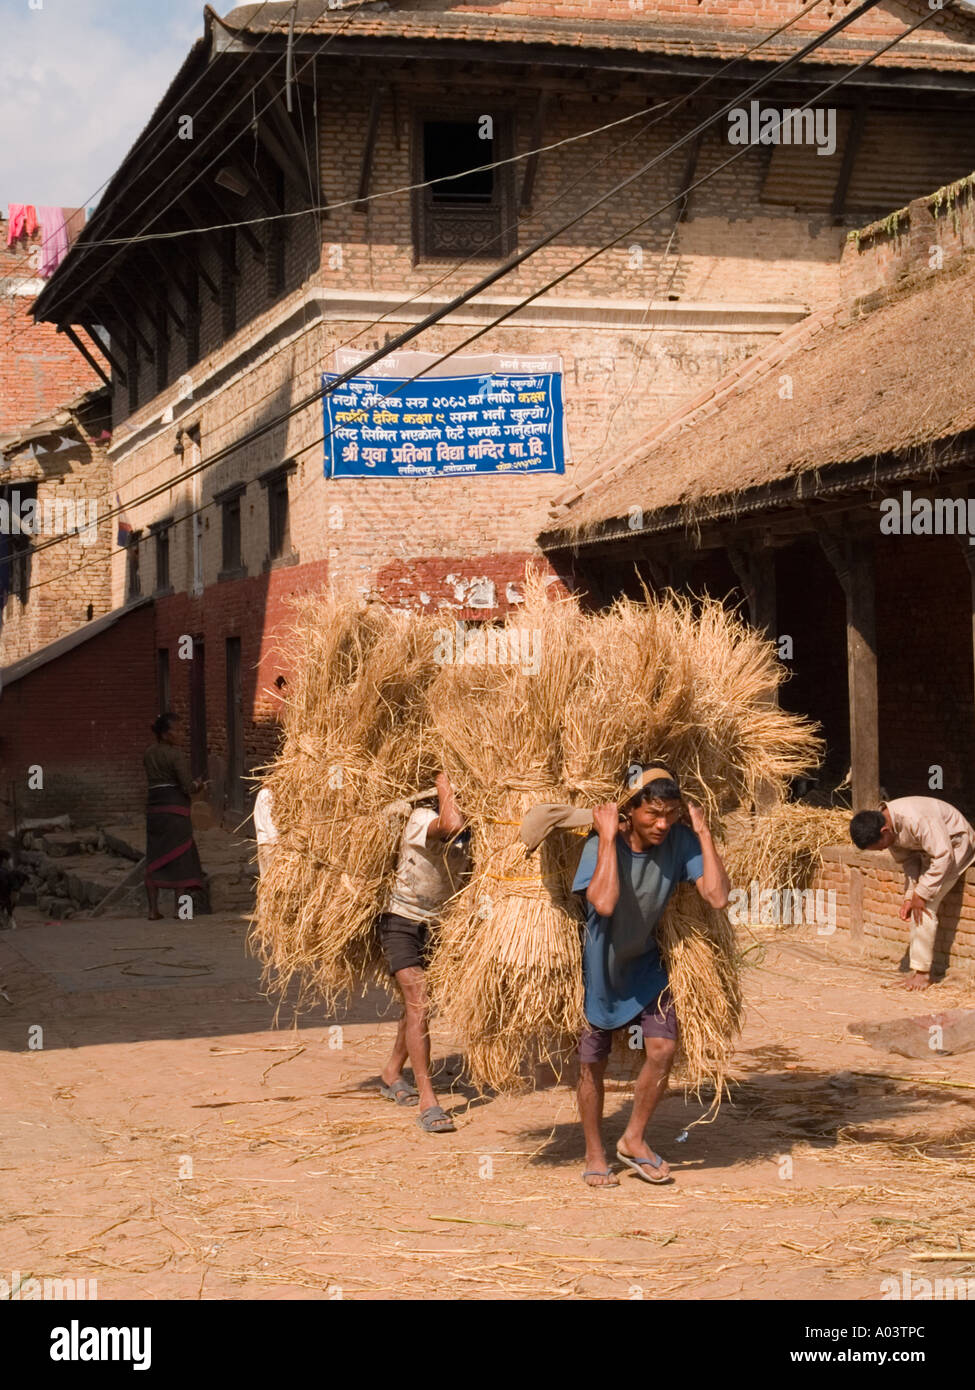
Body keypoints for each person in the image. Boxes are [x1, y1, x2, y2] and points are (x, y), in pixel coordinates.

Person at [572, 763, 730, 1188]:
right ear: (630, 809)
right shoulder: (598, 846)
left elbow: (716, 896)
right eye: (652, 814)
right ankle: (594, 1150)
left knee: (662, 1047)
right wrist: (606, 838)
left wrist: (703, 834)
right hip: (599, 971)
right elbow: (603, 903)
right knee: (592, 1064)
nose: (662, 824)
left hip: (645, 965)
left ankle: (634, 1139)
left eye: (670, 814)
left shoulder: (679, 839)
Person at [377, 771, 469, 1134]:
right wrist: (445, 782)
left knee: (415, 1007)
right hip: (401, 921)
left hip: (439, 926)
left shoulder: (471, 830)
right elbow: (449, 825)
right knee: (420, 1002)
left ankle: (390, 1073)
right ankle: (428, 1099)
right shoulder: (420, 819)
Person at [849, 797, 975, 990]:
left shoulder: (916, 819)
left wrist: (922, 894)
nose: (885, 849)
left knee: (925, 908)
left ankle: (922, 975)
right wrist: (909, 896)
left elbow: (943, 855)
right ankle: (919, 971)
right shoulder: (888, 827)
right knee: (916, 903)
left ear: (884, 831)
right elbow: (909, 862)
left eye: (882, 846)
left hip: (955, 847)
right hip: (930, 856)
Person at [143, 713, 209, 920]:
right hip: (175, 811)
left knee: (155, 857)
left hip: (154, 810)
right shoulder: (176, 756)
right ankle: (182, 910)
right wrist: (200, 785)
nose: (180, 734)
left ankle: (153, 910)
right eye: (176, 730)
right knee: (182, 858)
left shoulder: (148, 754)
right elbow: (188, 786)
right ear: (164, 734)